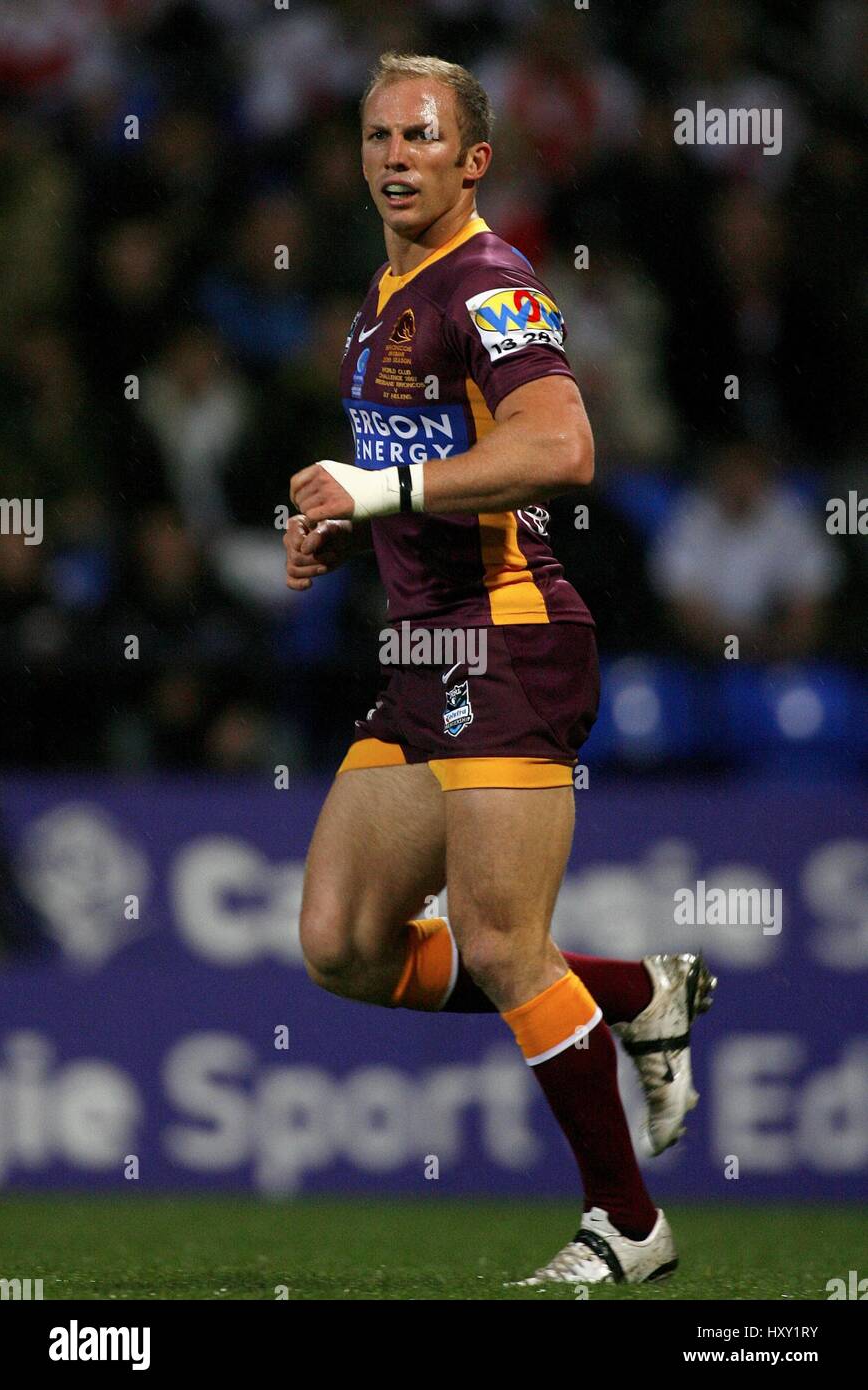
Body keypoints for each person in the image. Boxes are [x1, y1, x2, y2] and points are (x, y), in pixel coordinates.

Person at [284, 52, 714, 1287]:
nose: (391, 155)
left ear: (474, 159)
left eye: (417, 136)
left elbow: (562, 445)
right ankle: (636, 990)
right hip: (425, 649)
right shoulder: (384, 292)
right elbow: (427, 464)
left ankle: (627, 1223)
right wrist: (341, 513)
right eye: (374, 136)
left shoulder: (488, 281)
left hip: (508, 636)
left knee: (497, 940)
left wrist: (384, 485)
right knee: (344, 941)